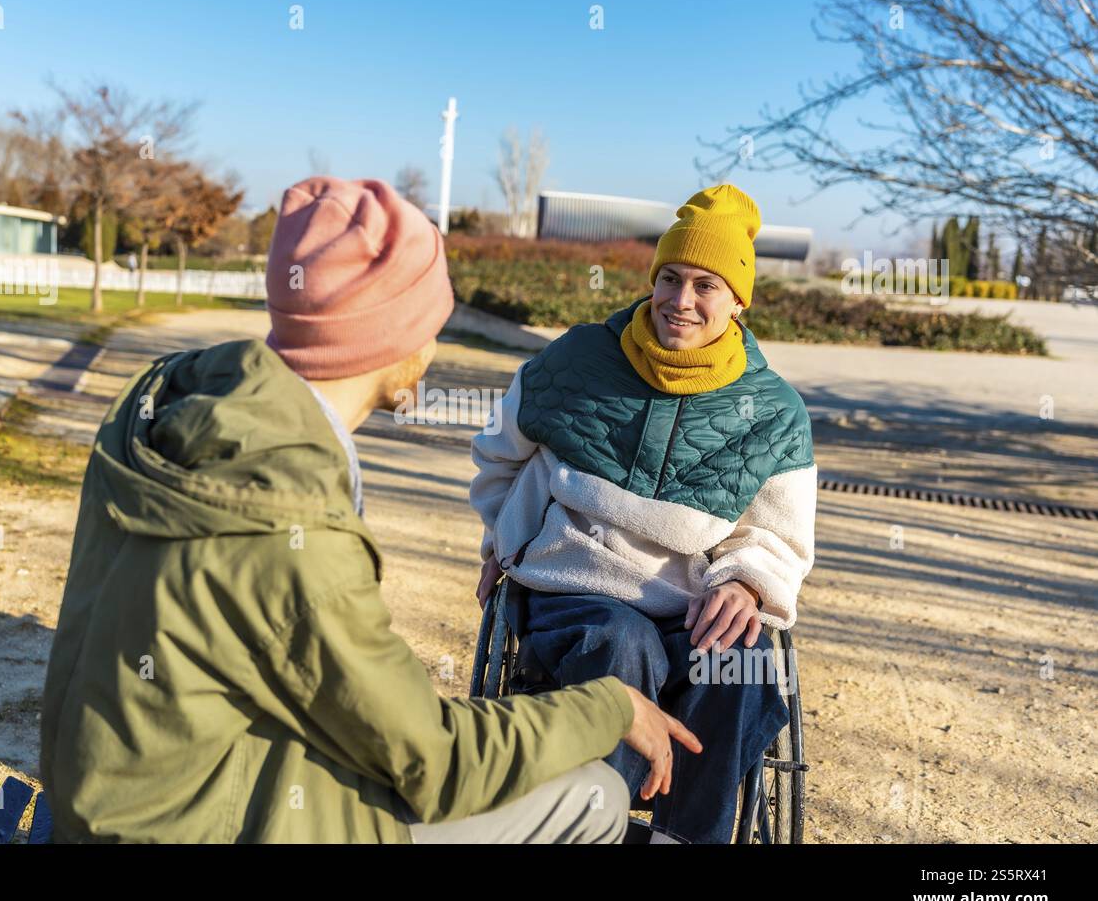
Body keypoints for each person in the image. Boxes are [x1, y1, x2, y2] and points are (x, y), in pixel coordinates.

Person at [40, 176, 700, 844]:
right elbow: (438, 765)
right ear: (394, 332)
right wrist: (608, 709)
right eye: (432, 319)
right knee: (590, 796)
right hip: (208, 822)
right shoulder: (286, 515)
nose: (436, 344)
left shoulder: (177, 407)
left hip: (129, 799)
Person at [470, 184, 817, 843]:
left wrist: (747, 581)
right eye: (670, 278)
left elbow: (777, 534)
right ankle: (598, 825)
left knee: (736, 665)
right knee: (618, 641)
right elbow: (498, 461)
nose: (680, 301)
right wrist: (502, 538)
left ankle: (687, 836)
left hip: (690, 600)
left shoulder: (772, 410)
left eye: (705, 286)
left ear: (739, 300)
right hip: (575, 585)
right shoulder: (574, 361)